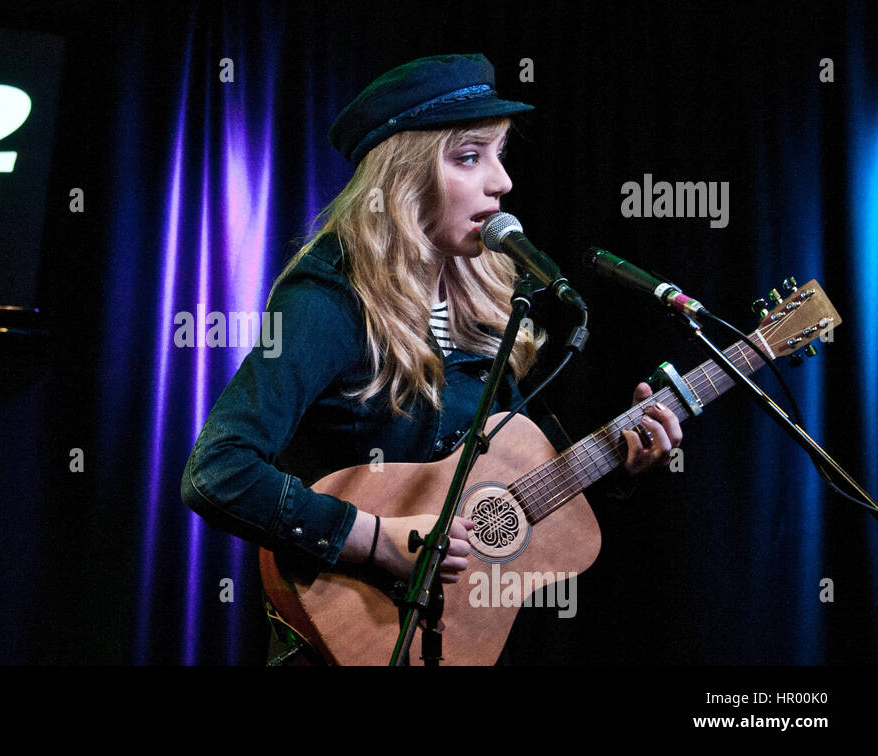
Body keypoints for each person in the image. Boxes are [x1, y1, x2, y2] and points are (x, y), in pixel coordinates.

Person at [179, 54, 681, 661]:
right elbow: (217, 473)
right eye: (470, 156)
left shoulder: (488, 301)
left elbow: (515, 496)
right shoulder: (329, 300)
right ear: (403, 177)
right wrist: (374, 540)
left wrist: (621, 467)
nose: (502, 182)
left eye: (498, 155)